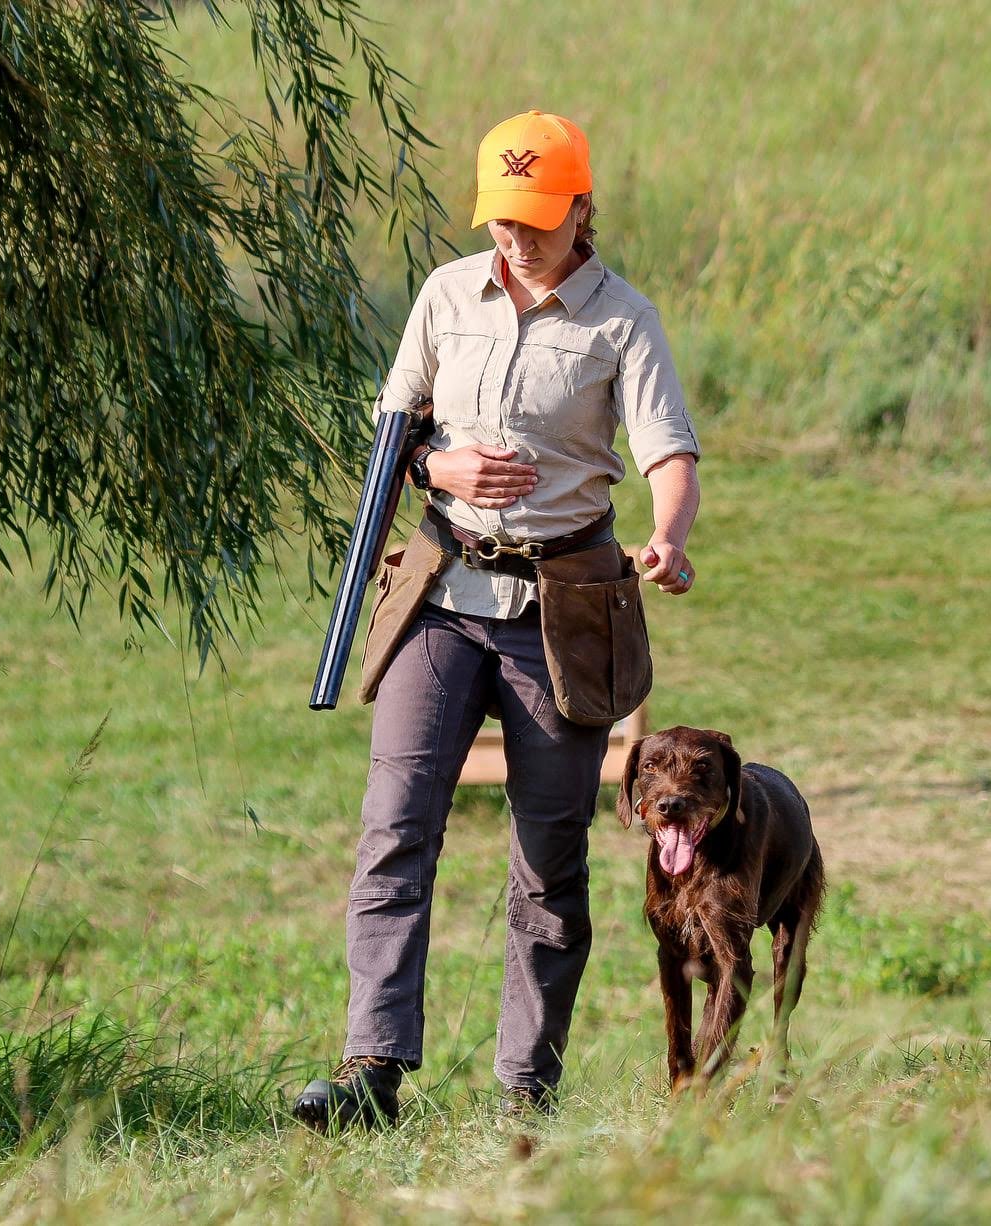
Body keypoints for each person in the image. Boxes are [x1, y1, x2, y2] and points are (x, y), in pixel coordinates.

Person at [295, 110, 701, 1130]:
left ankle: (529, 1085)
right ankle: (370, 1069)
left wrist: (667, 533)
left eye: (531, 218)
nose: (511, 237)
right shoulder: (444, 295)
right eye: (498, 218)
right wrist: (441, 464)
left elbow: (669, 454)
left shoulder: (623, 320)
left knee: (550, 851)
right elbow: (399, 431)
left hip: (561, 611)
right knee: (395, 826)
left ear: (578, 208)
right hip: (442, 592)